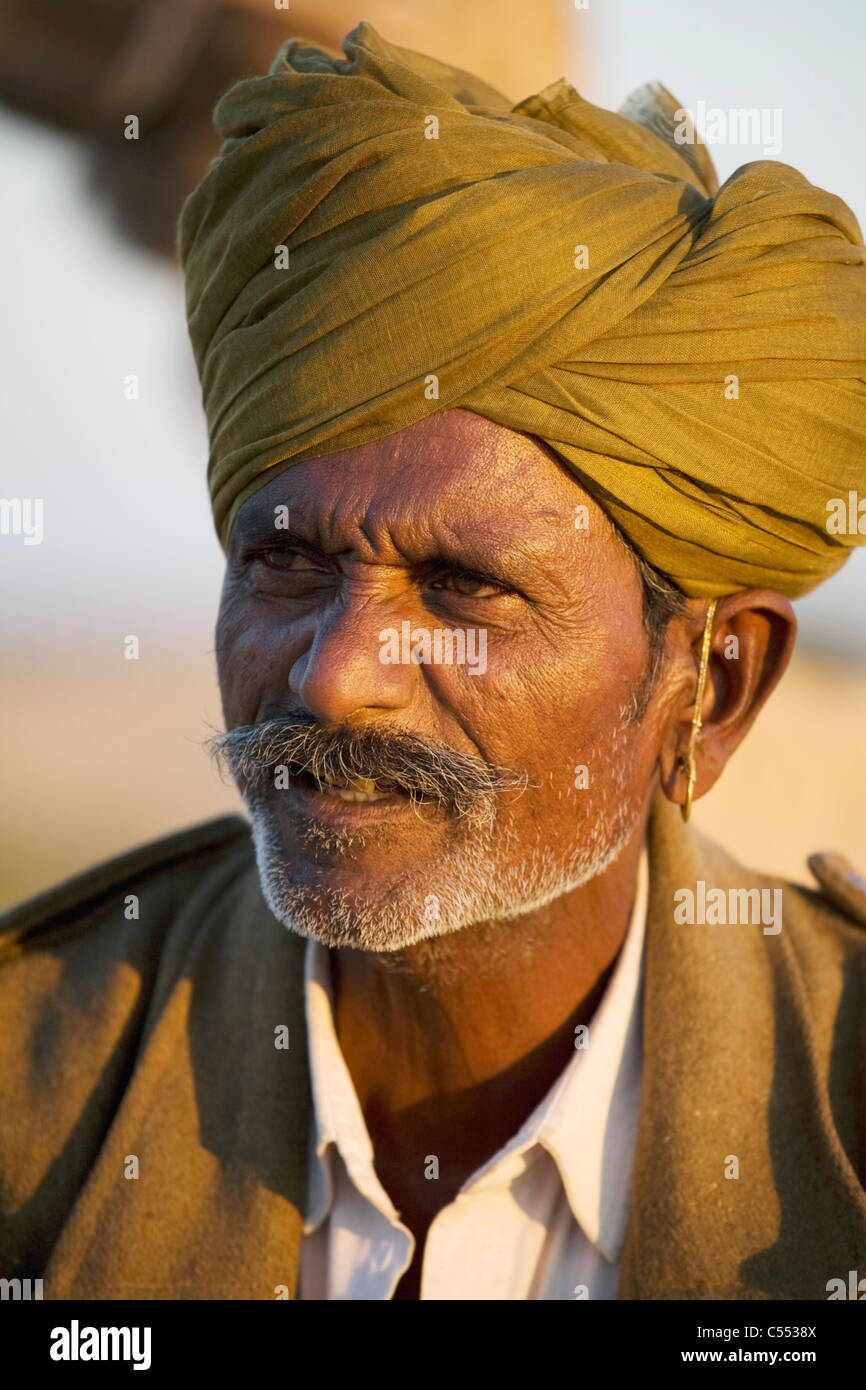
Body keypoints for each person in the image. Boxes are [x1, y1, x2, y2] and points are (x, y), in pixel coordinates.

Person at [2, 22, 865, 1301]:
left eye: (466, 590)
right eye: (285, 564)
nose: (336, 674)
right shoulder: (34, 1083)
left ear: (714, 682)